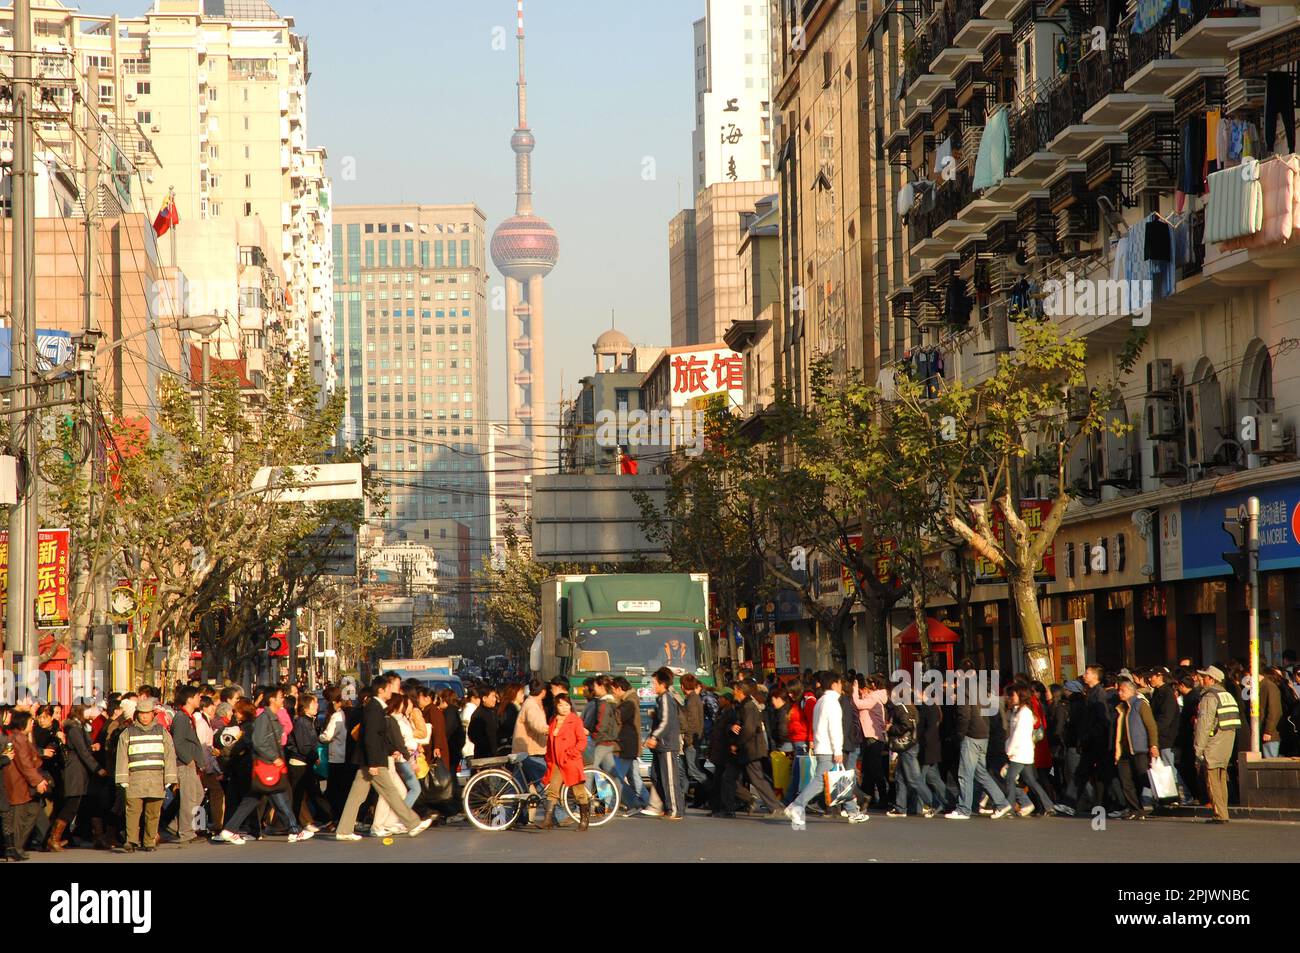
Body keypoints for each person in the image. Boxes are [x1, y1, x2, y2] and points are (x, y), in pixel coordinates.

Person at [333, 676, 433, 841]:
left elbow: (381, 736)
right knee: (391, 792)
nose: (390, 691)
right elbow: (371, 737)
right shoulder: (373, 708)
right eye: (388, 688)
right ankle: (413, 824)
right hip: (374, 761)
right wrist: (373, 762)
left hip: (370, 759)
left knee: (356, 796)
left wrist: (392, 749)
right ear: (380, 690)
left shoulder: (377, 707)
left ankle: (343, 830)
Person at [217, 687, 313, 845]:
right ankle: (294, 830)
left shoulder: (271, 717)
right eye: (281, 697)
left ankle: (230, 829)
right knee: (276, 795)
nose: (283, 700)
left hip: (268, 768)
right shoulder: (264, 719)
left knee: (255, 799)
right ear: (272, 699)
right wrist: (274, 757)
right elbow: (259, 742)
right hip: (266, 766)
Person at [785, 671, 868, 828]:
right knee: (821, 781)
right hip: (829, 749)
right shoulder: (832, 703)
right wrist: (838, 751)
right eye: (839, 683)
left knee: (840, 779)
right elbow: (835, 729)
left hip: (822, 746)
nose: (841, 686)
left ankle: (852, 811)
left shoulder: (821, 701)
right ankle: (797, 805)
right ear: (834, 684)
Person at [113, 697, 178, 853]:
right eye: (141, 713)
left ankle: (149, 842)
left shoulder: (162, 732)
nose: (144, 716)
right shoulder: (127, 733)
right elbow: (122, 756)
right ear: (137, 714)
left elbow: (169, 755)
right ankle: (131, 841)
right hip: (135, 779)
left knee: (153, 813)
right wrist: (122, 778)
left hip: (156, 778)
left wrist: (170, 778)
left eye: (147, 713)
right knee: (133, 812)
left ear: (152, 714)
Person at [947, 667, 1012, 820]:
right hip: (984, 734)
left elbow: (964, 716)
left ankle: (963, 809)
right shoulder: (980, 689)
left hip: (971, 735)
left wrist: (959, 735)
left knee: (965, 774)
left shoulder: (964, 691)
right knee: (981, 773)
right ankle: (1002, 803)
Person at [720, 679, 786, 819]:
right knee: (728, 777)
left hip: (750, 749)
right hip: (744, 749)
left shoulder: (749, 706)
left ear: (741, 691)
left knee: (757, 779)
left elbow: (749, 730)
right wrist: (731, 729)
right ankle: (735, 806)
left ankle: (775, 807)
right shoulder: (742, 706)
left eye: (736, 690)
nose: (734, 693)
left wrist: (736, 744)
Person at [1194, 666, 1240, 824]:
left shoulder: (1209, 697)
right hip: (1226, 743)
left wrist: (1198, 748)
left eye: (1204, 677)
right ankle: (1223, 810)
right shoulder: (1227, 695)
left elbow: (1204, 725)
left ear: (1212, 680)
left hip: (1213, 743)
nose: (1202, 679)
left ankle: (1219, 814)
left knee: (1212, 779)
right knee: (1221, 778)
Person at [1003, 685, 1056, 817]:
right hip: (1023, 751)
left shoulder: (1024, 713)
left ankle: (1009, 808)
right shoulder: (1019, 711)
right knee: (1031, 780)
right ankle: (1048, 805)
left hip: (1019, 752)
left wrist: (1009, 749)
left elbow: (1018, 734)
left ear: (1020, 696)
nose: (1010, 698)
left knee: (1010, 778)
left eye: (1013, 695)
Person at [540, 694, 590, 831]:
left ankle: (584, 820)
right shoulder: (553, 720)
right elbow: (551, 742)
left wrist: (571, 752)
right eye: (561, 705)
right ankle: (547, 819)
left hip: (571, 761)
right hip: (557, 762)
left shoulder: (575, 721)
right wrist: (549, 757)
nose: (564, 708)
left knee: (578, 791)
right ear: (556, 706)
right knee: (552, 790)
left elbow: (582, 741)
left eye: (567, 705)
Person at [2, 711, 49, 860]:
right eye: (30, 721)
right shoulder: (17, 739)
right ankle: (15, 848)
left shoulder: (22, 738)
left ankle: (17, 847)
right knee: (19, 816)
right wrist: (38, 781)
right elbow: (25, 763)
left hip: (24, 782)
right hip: (18, 783)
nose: (33, 723)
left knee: (31, 811)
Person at [1111, 678, 1159, 820]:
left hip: (1139, 749)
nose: (1120, 693)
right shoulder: (1121, 707)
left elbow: (1151, 726)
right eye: (1119, 690)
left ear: (1131, 692)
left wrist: (1153, 745)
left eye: (1123, 690)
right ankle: (1134, 808)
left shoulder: (1140, 705)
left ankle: (1149, 806)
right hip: (1123, 751)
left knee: (1142, 778)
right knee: (1126, 781)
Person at [286, 693, 333, 832]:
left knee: (310, 793)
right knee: (301, 795)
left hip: (307, 762)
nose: (317, 706)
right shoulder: (302, 722)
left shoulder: (312, 721)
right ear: (305, 708)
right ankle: (295, 825)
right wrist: (314, 756)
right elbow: (304, 746)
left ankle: (322, 819)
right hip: (299, 762)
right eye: (314, 704)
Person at [645, 666, 685, 820]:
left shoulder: (667, 698)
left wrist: (654, 736)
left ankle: (675, 810)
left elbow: (666, 721)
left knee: (669, 779)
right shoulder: (661, 699)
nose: (653, 686)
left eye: (654, 683)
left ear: (663, 684)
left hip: (667, 744)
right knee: (656, 776)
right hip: (661, 745)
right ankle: (666, 806)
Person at [610, 677, 645, 813]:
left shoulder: (628, 703)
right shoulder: (630, 700)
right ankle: (645, 803)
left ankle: (614, 804)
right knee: (634, 777)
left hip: (626, 746)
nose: (613, 693)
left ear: (619, 689)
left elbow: (617, 719)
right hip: (630, 746)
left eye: (613, 690)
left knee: (616, 777)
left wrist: (612, 704)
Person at [511, 679, 550, 792]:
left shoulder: (533, 703)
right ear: (543, 692)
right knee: (544, 785)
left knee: (518, 787)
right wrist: (553, 730)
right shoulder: (531, 705)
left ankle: (507, 810)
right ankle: (554, 809)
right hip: (531, 752)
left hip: (526, 751)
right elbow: (537, 726)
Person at [468, 685, 501, 760]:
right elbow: (473, 736)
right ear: (484, 698)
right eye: (492, 696)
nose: (495, 699)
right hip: (484, 757)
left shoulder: (493, 712)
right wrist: (488, 746)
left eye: (495, 697)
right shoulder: (478, 715)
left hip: (495, 755)